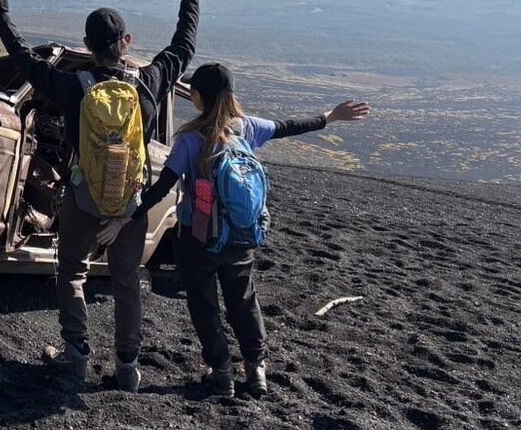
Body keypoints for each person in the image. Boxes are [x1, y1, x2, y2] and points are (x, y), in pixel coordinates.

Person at [0, 0, 207, 391]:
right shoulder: (149, 83)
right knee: (126, 282)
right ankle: (127, 366)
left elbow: (26, 62)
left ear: (86, 45)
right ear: (127, 42)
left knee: (72, 272)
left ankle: (77, 354)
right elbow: (184, 47)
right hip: (131, 205)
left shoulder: (73, 87)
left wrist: (1, 17)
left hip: (82, 199)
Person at [133, 61, 370, 398]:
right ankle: (256, 370)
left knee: (203, 303)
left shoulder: (189, 139)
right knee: (243, 300)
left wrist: (127, 216)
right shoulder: (246, 128)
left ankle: (222, 372)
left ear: (197, 96)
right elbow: (289, 126)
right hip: (240, 235)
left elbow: (162, 187)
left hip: (198, 237)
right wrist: (331, 116)